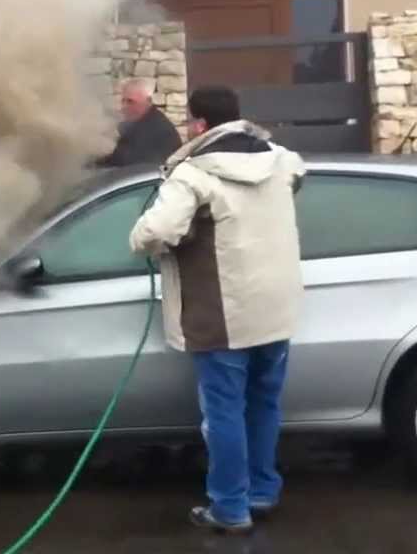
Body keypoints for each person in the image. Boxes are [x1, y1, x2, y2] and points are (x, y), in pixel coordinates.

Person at [128, 86, 305, 534]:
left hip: (222, 315)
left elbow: (155, 232)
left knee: (224, 413)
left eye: (190, 121)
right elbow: (300, 175)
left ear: (200, 125)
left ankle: (230, 507)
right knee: (263, 406)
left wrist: (148, 242)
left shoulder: (193, 174)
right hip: (276, 309)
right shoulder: (281, 159)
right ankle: (262, 491)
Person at [95, 79, 183, 167]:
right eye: (123, 101)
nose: (124, 107)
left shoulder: (155, 130)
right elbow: (116, 159)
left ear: (148, 102)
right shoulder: (138, 124)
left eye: (130, 102)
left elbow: (128, 167)